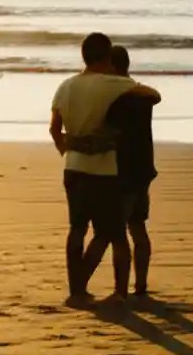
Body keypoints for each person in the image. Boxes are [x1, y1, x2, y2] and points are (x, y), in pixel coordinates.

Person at [50, 33, 161, 305]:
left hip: (72, 168)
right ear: (107, 56)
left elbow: (54, 128)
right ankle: (119, 292)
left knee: (77, 229)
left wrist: (68, 149)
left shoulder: (65, 85)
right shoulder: (113, 84)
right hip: (102, 171)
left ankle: (77, 290)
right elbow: (152, 95)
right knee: (112, 233)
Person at [91, 46, 158, 296]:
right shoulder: (141, 93)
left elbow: (108, 132)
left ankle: (120, 290)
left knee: (116, 232)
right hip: (144, 166)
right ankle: (140, 285)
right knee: (138, 228)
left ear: (112, 66)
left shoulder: (116, 98)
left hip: (121, 169)